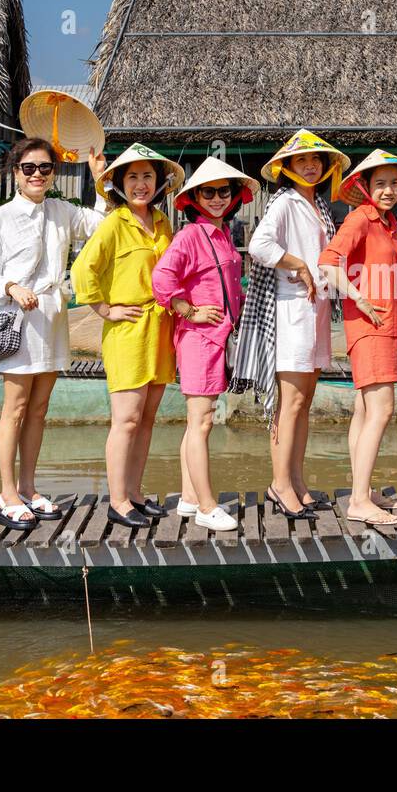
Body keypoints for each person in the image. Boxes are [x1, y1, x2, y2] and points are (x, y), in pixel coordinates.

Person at [0, 138, 107, 530]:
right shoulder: (0, 217)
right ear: (15, 172)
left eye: (44, 168)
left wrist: (99, 182)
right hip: (17, 316)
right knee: (14, 407)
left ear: (53, 173)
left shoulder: (62, 210)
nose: (36, 175)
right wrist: (10, 287)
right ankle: (7, 492)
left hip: (52, 315)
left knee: (40, 408)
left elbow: (99, 227)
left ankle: (29, 487)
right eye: (28, 168)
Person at [233, 129, 350, 519]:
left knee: (303, 402)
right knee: (291, 402)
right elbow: (260, 246)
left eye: (316, 160)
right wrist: (298, 265)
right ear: (287, 167)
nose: (311, 166)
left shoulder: (315, 204)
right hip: (291, 309)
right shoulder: (284, 201)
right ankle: (280, 484)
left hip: (313, 310)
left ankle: (296, 481)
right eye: (302, 160)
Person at [72, 144, 184, 527]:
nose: (140, 184)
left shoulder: (163, 222)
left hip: (160, 325)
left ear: (158, 182)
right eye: (132, 177)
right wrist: (104, 309)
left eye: (147, 176)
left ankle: (135, 492)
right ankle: (117, 500)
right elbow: (83, 270)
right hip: (128, 328)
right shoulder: (115, 223)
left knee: (149, 418)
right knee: (127, 419)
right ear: (119, 183)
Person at [318, 149, 397, 527]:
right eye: (380, 183)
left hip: (387, 323)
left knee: (365, 411)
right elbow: (328, 262)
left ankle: (361, 490)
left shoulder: (388, 223)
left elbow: (376, 266)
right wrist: (359, 296)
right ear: (365, 187)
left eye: (394, 183)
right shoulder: (360, 218)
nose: (388, 190)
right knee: (382, 410)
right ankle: (360, 500)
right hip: (371, 326)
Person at [152, 156, 258, 532]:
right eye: (208, 192)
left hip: (219, 336)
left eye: (222, 192)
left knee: (197, 421)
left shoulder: (223, 235)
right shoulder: (190, 236)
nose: (216, 198)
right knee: (202, 420)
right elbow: (162, 277)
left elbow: (231, 288)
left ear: (232, 197)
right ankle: (207, 506)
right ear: (195, 197)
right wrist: (187, 309)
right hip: (199, 337)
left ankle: (188, 496)